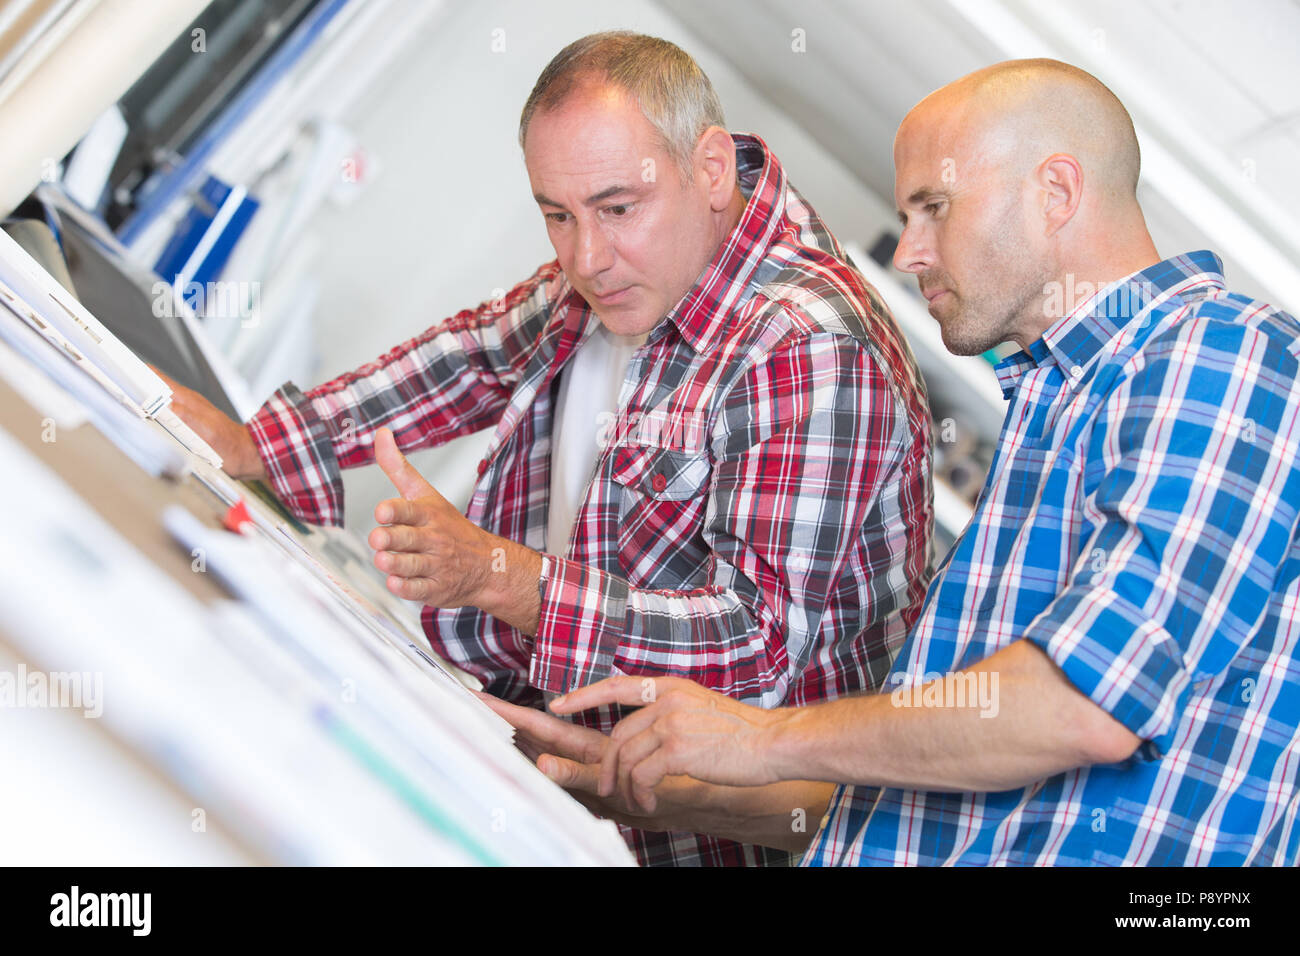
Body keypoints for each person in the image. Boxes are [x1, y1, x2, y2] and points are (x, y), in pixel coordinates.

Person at [487, 57, 1300, 866]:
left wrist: (769, 736)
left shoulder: (1224, 355)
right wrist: (626, 777)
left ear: (1056, 191)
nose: (909, 252)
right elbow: (912, 809)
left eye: (934, 207)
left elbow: (1081, 703)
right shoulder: (1056, 411)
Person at [161, 31, 934, 866]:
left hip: (694, 846)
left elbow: (754, 648)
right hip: (549, 778)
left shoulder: (811, 347)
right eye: (557, 215)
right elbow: (474, 356)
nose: (585, 258)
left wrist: (496, 577)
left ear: (711, 168)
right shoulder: (633, 266)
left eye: (615, 208)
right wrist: (260, 443)